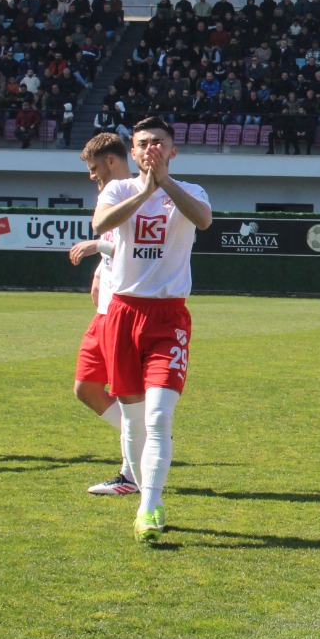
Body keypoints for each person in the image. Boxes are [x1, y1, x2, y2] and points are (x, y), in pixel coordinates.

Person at [93, 117, 213, 543]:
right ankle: (140, 486)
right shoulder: (119, 189)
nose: (150, 150)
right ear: (133, 150)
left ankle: (150, 506)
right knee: (133, 418)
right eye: (142, 144)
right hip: (123, 313)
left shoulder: (191, 191)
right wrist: (145, 190)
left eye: (158, 143)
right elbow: (100, 225)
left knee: (159, 416)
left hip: (168, 317)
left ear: (172, 150)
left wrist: (164, 186)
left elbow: (203, 220)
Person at [65, 133, 140, 494]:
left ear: (112, 160)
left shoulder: (140, 190)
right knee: (86, 387)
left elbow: (139, 246)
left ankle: (130, 475)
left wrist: (99, 245)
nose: (92, 175)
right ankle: (144, 436)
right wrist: (99, 268)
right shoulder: (110, 194)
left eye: (95, 168)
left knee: (125, 391)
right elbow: (117, 245)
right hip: (105, 307)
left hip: (126, 308)